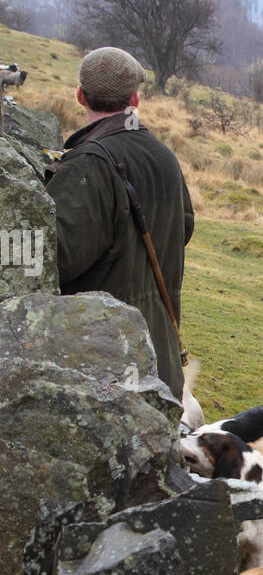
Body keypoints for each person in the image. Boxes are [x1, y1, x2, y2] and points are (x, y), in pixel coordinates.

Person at [49, 47, 194, 400]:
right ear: (136, 98)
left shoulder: (86, 164)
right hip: (159, 355)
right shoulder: (165, 156)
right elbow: (184, 227)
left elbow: (55, 259)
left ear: (80, 95)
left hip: (100, 359)